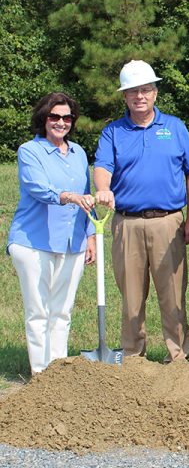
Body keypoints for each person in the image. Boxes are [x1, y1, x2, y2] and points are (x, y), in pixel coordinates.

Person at [94, 59, 189, 362]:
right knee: (131, 297)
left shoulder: (175, 127)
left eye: (145, 90)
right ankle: (133, 357)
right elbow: (102, 167)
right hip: (127, 223)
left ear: (155, 92)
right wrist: (103, 188)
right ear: (124, 97)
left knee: (172, 295)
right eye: (132, 92)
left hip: (169, 222)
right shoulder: (113, 132)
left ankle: (178, 357)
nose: (139, 96)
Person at [7, 92, 96, 374]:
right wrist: (67, 196)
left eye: (67, 117)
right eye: (54, 117)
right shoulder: (29, 151)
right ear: (43, 119)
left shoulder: (79, 152)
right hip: (34, 241)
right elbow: (36, 187)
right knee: (39, 312)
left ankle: (57, 372)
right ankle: (40, 373)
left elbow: (86, 196)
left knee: (62, 311)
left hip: (73, 241)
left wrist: (91, 234)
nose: (61, 122)